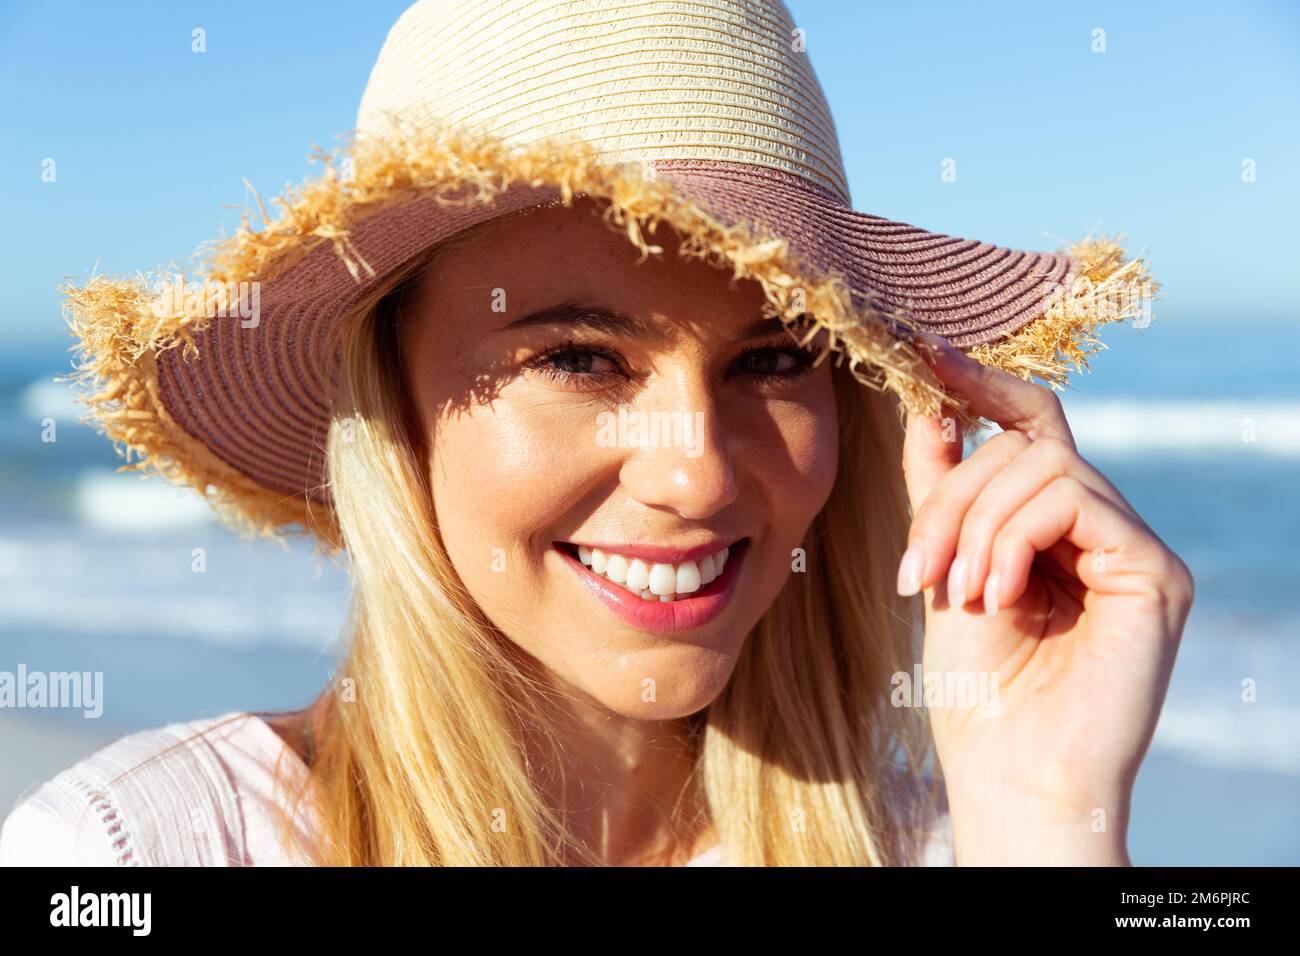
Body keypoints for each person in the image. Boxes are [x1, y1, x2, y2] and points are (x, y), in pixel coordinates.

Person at [0, 0, 1190, 867]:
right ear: (391, 405)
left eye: (772, 358)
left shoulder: (961, 838)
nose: (697, 469)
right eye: (575, 357)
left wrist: (1045, 813)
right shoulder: (126, 853)